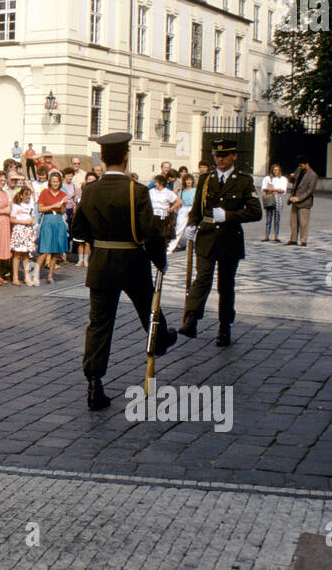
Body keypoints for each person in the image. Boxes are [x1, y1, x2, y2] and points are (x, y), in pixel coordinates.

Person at [71, 133, 178, 410]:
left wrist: (99, 240)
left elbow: (78, 230)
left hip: (102, 263)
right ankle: (161, 339)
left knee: (99, 324)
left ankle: (94, 382)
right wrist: (160, 260)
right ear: (126, 157)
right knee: (148, 309)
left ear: (103, 159)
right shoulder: (137, 190)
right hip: (132, 261)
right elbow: (149, 233)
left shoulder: (90, 190)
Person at [179, 139, 262, 346]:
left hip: (229, 238)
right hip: (206, 237)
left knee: (225, 285)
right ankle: (191, 319)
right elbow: (198, 207)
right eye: (217, 156)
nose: (220, 159)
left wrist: (229, 216)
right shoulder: (206, 179)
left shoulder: (243, 181)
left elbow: (255, 212)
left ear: (234, 156)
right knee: (202, 279)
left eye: (224, 156)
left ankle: (224, 326)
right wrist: (191, 225)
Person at [35, 171, 70, 285]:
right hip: (48, 221)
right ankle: (35, 274)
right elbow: (40, 209)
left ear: (60, 182)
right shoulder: (45, 192)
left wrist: (63, 205)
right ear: (50, 182)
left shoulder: (62, 194)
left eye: (57, 181)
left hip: (58, 221)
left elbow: (63, 211)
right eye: (53, 181)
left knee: (55, 251)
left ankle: (50, 275)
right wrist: (53, 206)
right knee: (44, 250)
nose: (55, 183)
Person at [286, 155, 318, 245]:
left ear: (306, 164)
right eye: (299, 165)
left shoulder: (313, 175)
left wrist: (299, 198)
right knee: (293, 222)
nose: (300, 167)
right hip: (294, 199)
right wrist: (291, 177)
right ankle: (293, 239)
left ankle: (303, 240)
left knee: (303, 223)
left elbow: (309, 191)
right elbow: (293, 182)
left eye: (301, 165)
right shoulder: (298, 170)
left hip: (304, 202)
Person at [9, 184, 36, 285]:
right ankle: (15, 277)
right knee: (17, 255)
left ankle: (27, 277)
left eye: (29, 195)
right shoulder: (16, 206)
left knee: (26, 256)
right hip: (19, 231)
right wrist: (23, 222)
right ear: (20, 196)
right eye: (26, 195)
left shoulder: (30, 206)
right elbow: (11, 219)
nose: (28, 197)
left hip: (27, 232)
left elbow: (32, 217)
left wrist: (32, 221)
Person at [260, 163, 287, 242]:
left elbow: (283, 190)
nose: (275, 172)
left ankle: (276, 235)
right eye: (274, 170)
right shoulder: (267, 178)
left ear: (279, 171)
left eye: (277, 170)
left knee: (277, 217)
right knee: (268, 217)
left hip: (278, 198)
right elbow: (263, 188)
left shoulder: (283, 179)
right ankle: (267, 235)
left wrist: (273, 189)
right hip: (269, 197)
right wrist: (273, 189)